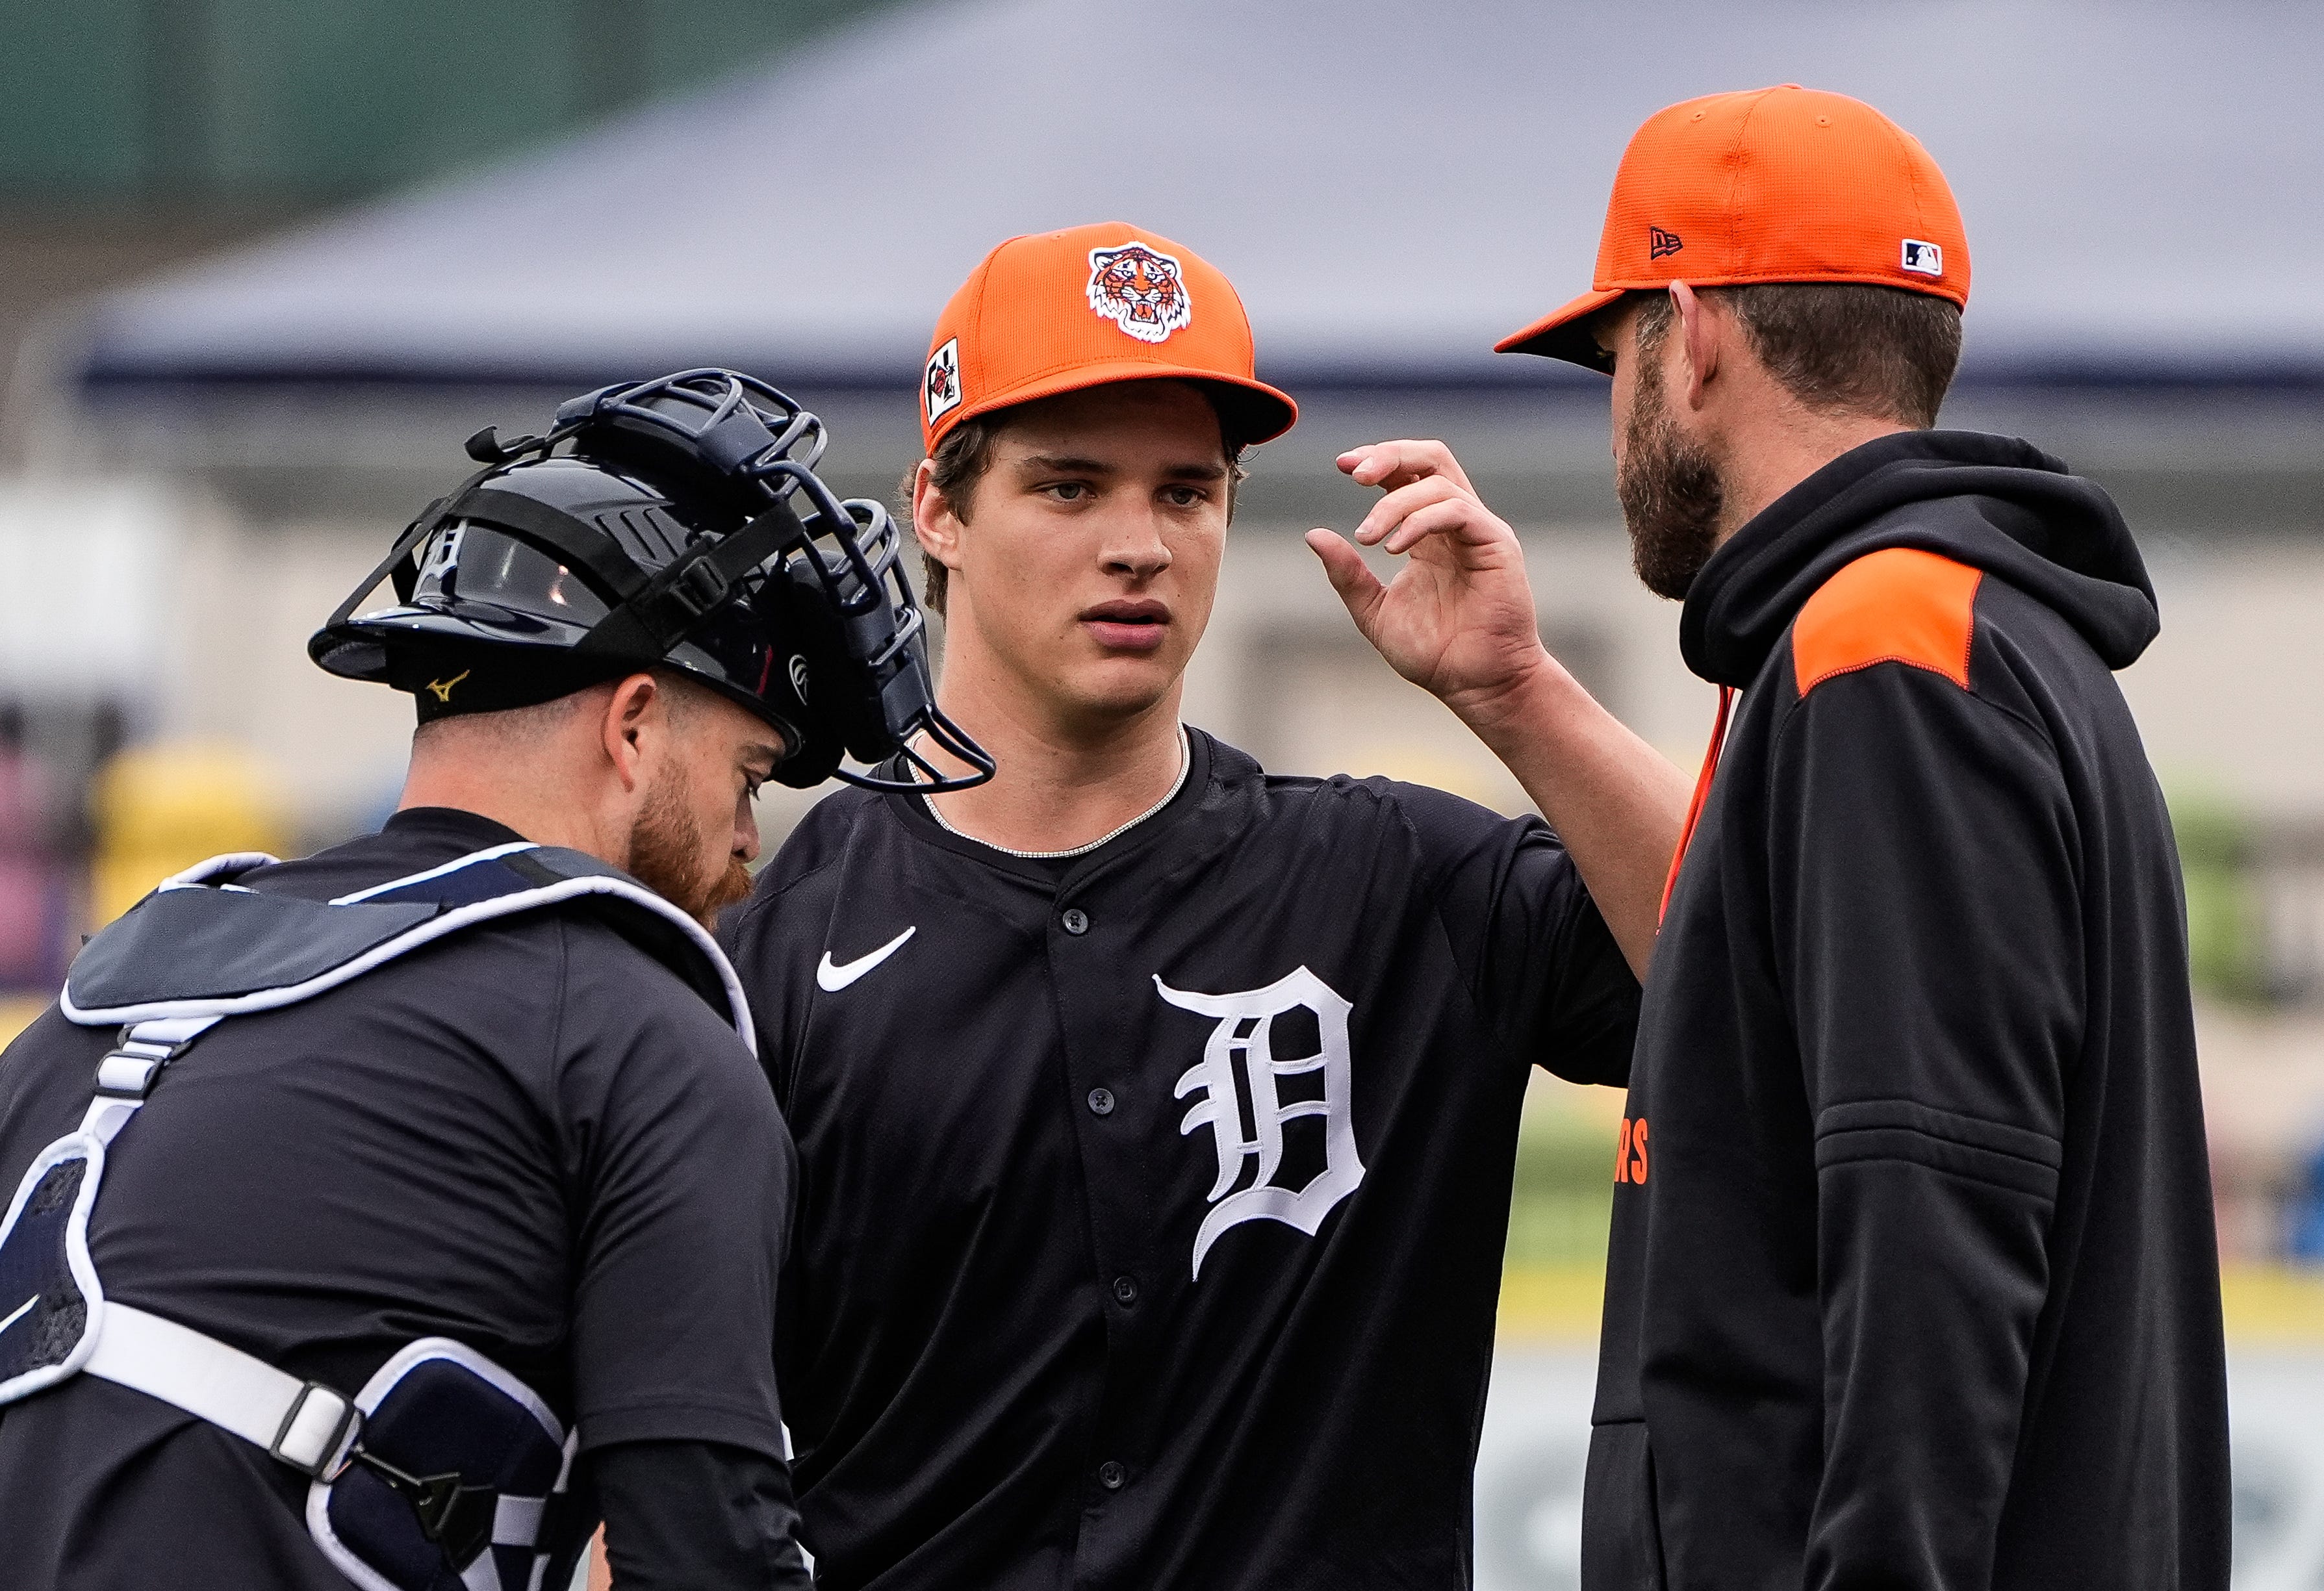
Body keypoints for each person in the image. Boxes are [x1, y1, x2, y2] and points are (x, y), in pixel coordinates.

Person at [717, 223, 1689, 1589]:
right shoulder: (773, 937)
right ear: (936, 510)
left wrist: (1518, 692)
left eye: (1186, 492)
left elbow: (1761, 986)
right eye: (1067, 488)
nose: (1140, 547)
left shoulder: (1393, 877)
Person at [0, 371, 980, 1591]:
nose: (750, 854)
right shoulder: (636, 1036)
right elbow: (706, 1560)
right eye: (749, 779)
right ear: (633, 726)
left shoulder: (109, 989)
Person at [1493, 86, 2230, 1588]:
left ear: (1688, 336)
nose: (1617, 400)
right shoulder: (1964, 630)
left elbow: (1929, 1236)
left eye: (1613, 352)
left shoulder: (1882, 648)